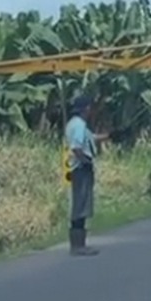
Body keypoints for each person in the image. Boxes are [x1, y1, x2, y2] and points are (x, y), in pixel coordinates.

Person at [64, 96, 108, 256]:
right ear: (86, 108)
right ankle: (78, 245)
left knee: (80, 204)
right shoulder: (80, 125)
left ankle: (79, 244)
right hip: (81, 168)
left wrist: (110, 136)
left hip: (78, 169)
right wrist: (84, 161)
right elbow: (76, 147)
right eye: (90, 108)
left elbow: (91, 138)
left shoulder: (74, 124)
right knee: (81, 205)